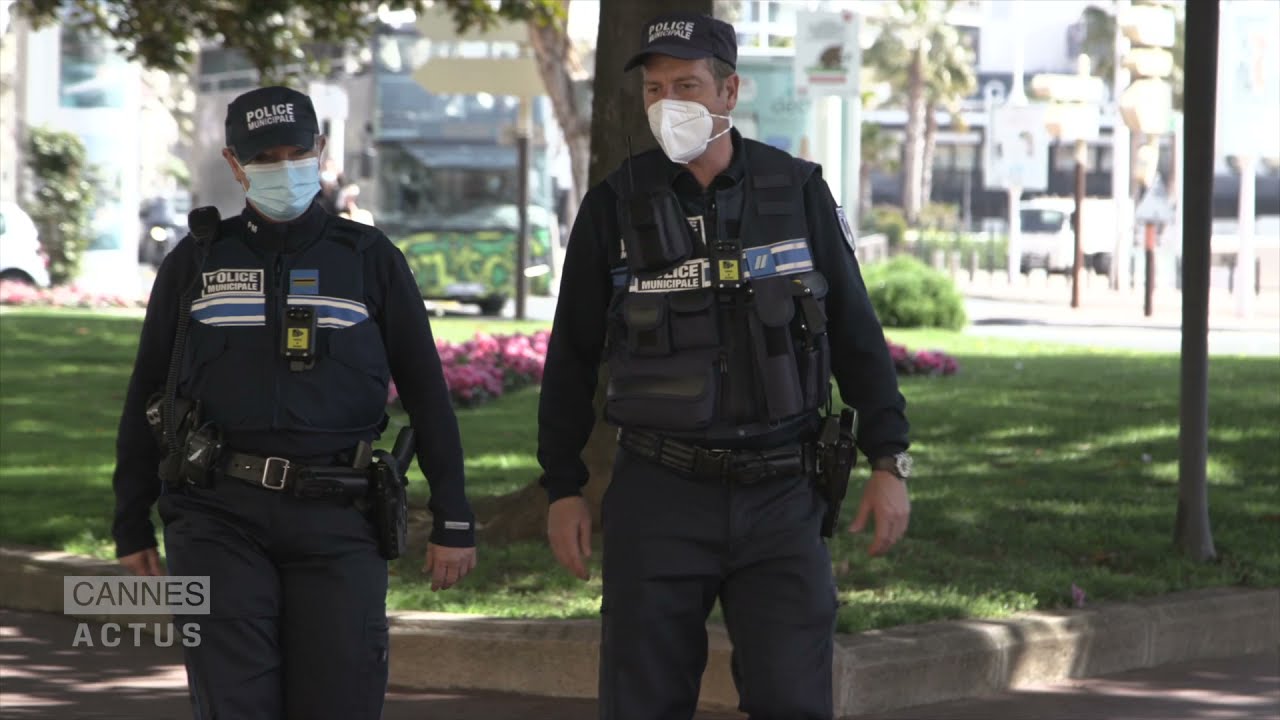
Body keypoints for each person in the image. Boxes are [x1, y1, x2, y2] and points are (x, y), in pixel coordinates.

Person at [536, 13, 912, 720]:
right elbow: (572, 358)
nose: (668, 104)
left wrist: (889, 461)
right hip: (659, 492)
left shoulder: (795, 192)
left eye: (687, 85)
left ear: (730, 90)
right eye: (654, 90)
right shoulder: (614, 206)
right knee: (641, 702)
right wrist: (563, 487)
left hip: (781, 495)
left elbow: (857, 336)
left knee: (793, 700)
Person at [110, 85, 477, 720]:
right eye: (265, 157)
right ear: (234, 164)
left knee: (340, 701)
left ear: (321, 151)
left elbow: (427, 395)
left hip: (340, 518)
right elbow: (147, 392)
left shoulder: (371, 261)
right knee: (234, 704)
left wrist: (454, 518)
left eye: (295, 151)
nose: (284, 167)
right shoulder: (196, 262)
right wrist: (130, 519)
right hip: (215, 515)